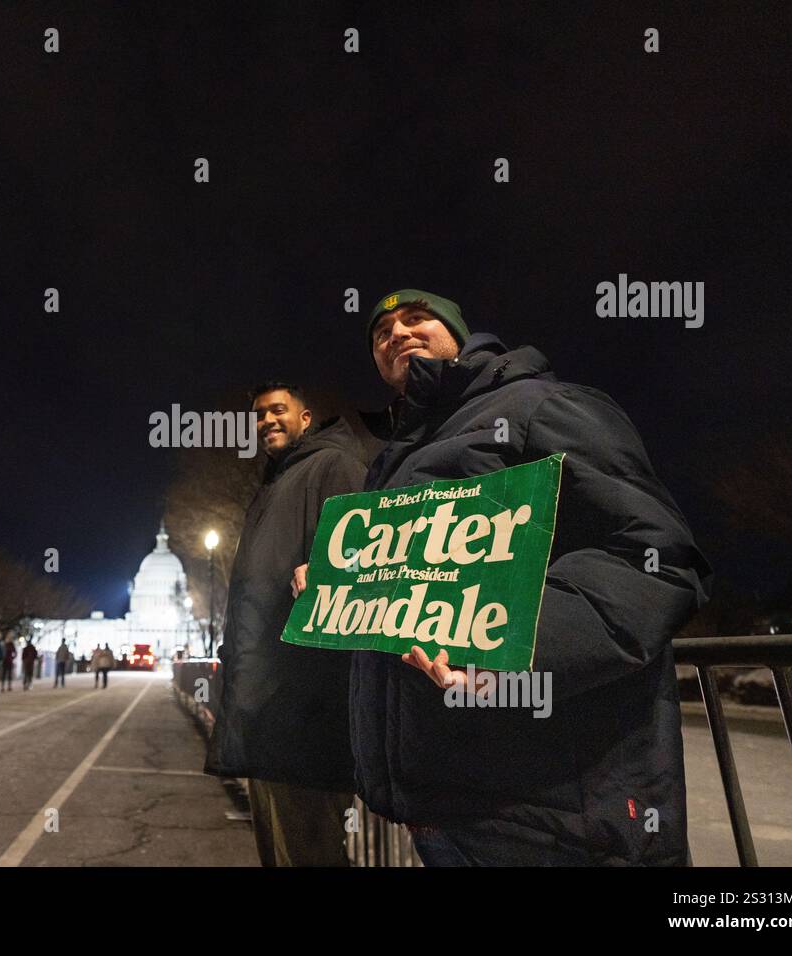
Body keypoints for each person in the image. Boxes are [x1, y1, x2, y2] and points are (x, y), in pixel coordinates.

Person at [293, 288, 712, 866]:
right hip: (441, 806)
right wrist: (338, 583)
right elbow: (416, 589)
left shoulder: (543, 406)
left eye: (417, 318)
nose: (398, 333)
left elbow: (651, 559)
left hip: (550, 817)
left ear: (460, 333)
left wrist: (503, 649)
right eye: (381, 332)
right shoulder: (395, 459)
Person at [203, 381, 367, 867]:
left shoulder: (333, 466)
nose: (267, 420)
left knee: (308, 852)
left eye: (278, 410)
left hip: (306, 715)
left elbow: (363, 557)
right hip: (265, 715)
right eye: (258, 414)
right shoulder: (275, 485)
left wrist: (334, 571)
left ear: (305, 416)